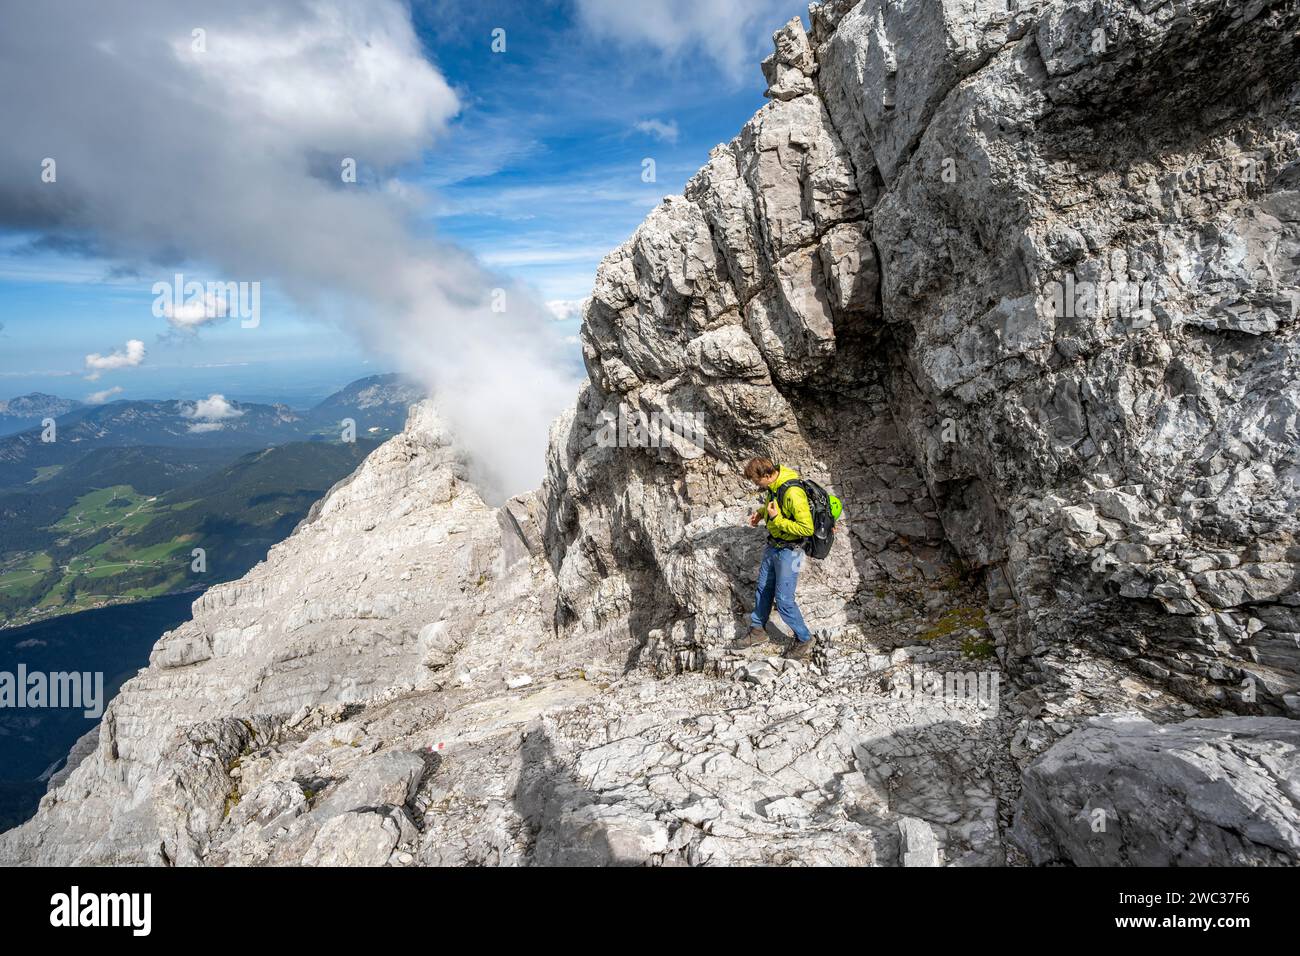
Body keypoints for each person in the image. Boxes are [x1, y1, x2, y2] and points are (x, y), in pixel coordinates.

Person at [731, 456, 815, 659]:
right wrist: (762, 513)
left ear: (767, 475)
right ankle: (758, 630)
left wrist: (777, 519)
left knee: (784, 601)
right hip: (774, 546)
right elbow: (775, 507)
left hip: (791, 551)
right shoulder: (775, 486)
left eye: (756, 481)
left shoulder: (793, 492)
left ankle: (804, 638)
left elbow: (807, 528)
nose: (755, 485)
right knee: (763, 589)